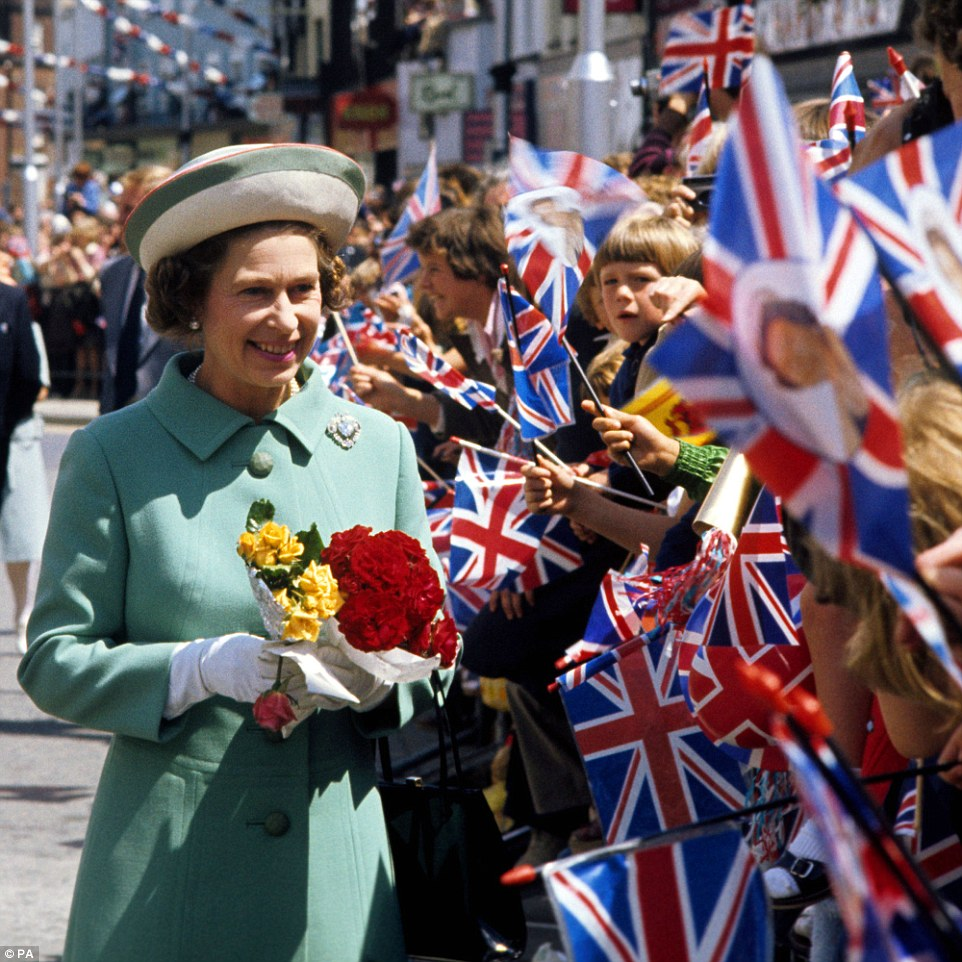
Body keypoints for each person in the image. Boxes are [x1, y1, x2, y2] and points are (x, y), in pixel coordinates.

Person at [18, 143, 451, 962]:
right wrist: (195, 668)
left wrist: (370, 679)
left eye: (304, 290)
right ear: (192, 302)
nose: (286, 319)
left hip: (335, 872)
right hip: (166, 871)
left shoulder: (380, 447)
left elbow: (435, 653)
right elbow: (52, 661)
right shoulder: (114, 455)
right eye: (254, 293)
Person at [98, 163, 177, 413]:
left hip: (172, 421)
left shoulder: (190, 274)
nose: (120, 218)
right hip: (116, 420)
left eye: (129, 209)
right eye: (121, 208)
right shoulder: (112, 272)